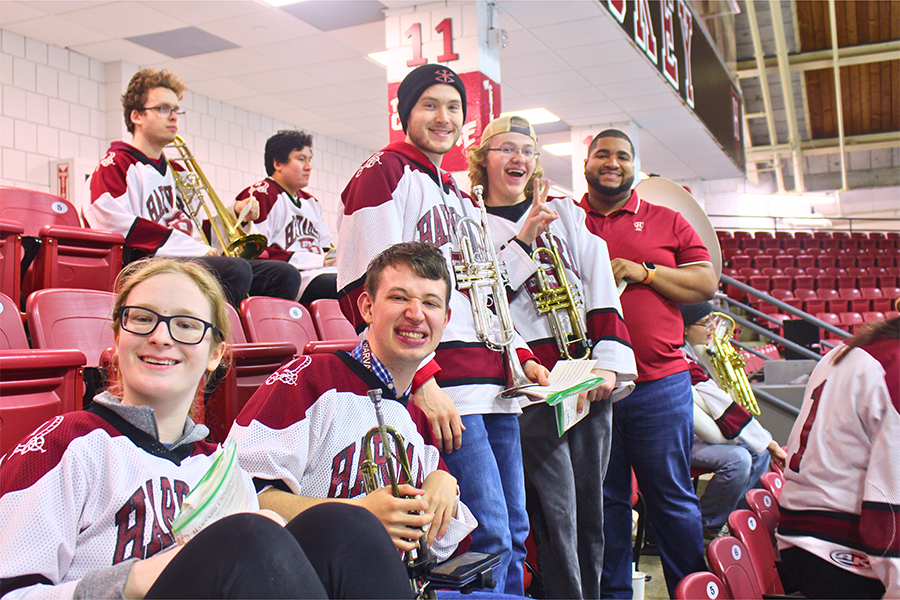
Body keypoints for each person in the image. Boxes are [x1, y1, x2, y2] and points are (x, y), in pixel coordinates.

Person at [0, 258, 411, 599]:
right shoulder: (64, 444)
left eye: (185, 325)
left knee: (346, 527)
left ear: (215, 353)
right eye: (141, 318)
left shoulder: (218, 465)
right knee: (247, 538)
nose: (161, 336)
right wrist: (136, 579)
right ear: (117, 336)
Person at [337, 64, 549, 596]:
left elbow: (484, 291)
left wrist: (519, 354)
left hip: (494, 384)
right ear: (404, 112)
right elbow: (362, 289)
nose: (444, 117)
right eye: (429, 104)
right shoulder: (383, 173)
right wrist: (424, 380)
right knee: (483, 539)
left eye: (454, 107)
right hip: (448, 385)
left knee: (515, 533)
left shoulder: (456, 192)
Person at [472, 116, 637, 599]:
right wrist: (523, 241)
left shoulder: (566, 213)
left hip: (586, 377)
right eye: (505, 149)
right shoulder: (472, 220)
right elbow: (486, 298)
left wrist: (608, 362)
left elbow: (597, 280)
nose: (518, 158)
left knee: (594, 511)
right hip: (533, 390)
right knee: (555, 516)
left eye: (527, 149)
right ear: (484, 161)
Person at [230, 242, 476, 566]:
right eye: (399, 297)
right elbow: (240, 498)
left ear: (444, 319)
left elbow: (444, 547)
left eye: (429, 303)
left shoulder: (417, 418)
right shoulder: (310, 379)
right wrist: (357, 517)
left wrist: (445, 484)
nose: (416, 314)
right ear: (368, 307)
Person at [577, 129, 718, 597]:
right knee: (605, 503)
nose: (611, 162)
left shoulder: (668, 219)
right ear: (586, 164)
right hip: (589, 388)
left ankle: (691, 590)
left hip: (660, 385)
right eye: (602, 154)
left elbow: (704, 284)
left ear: (634, 165)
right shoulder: (565, 221)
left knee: (672, 498)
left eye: (622, 155)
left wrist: (646, 272)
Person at [83, 68, 301, 308]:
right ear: (136, 116)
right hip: (149, 267)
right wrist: (189, 247)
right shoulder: (116, 164)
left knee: (284, 275)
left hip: (188, 259)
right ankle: (215, 339)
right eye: (163, 109)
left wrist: (233, 213)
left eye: (176, 110)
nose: (174, 117)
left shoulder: (179, 171)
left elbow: (197, 231)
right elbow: (112, 223)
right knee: (234, 270)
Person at [776, 316, 899, 599]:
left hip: (804, 538)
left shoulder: (852, 348)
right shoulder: (893, 365)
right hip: (838, 554)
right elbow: (890, 493)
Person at [679, 301, 786, 540]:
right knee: (739, 458)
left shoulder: (694, 351)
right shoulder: (680, 359)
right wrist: (770, 442)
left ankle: (738, 519)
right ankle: (708, 524)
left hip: (694, 436)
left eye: (712, 322)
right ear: (684, 328)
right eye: (705, 323)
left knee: (758, 451)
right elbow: (719, 403)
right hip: (677, 440)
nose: (711, 329)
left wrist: (766, 444)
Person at [234, 130, 338, 304]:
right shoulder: (262, 193)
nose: (308, 166)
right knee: (342, 288)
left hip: (319, 271)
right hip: (295, 276)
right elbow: (257, 253)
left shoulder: (311, 202)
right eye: (301, 159)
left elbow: (327, 249)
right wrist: (318, 260)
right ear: (278, 163)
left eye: (309, 160)